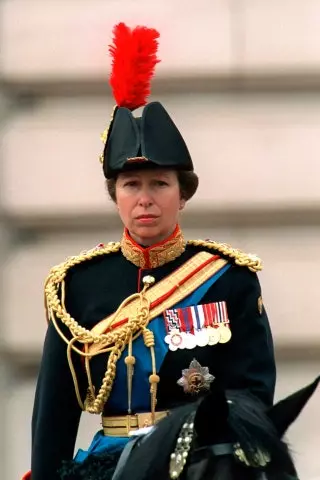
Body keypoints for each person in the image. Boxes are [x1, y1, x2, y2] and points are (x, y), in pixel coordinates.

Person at [22, 22, 276, 480]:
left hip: (199, 461)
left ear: (183, 194)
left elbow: (254, 393)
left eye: (160, 184)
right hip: (108, 462)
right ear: (115, 195)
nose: (145, 198)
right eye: (131, 185)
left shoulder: (228, 277)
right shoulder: (77, 285)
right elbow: (54, 411)